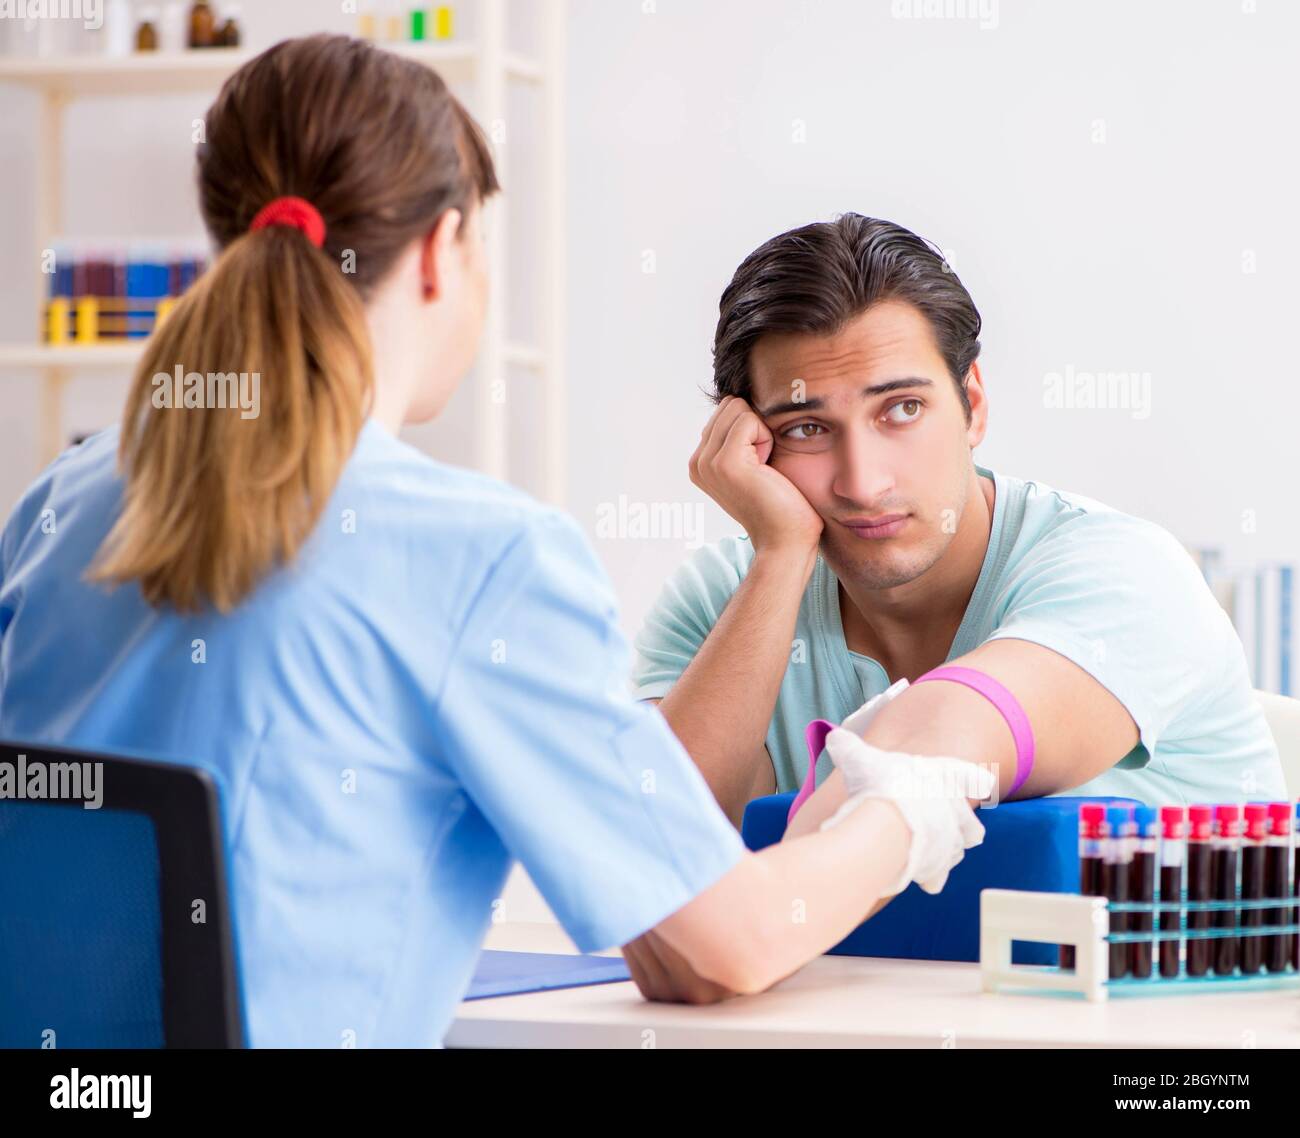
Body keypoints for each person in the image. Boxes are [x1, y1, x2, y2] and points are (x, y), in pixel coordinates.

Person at [0, 38, 989, 1048]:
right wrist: (903, 807)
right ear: (443, 250)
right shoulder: (479, 557)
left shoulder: (56, 503)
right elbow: (720, 949)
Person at [632, 214, 1286, 840]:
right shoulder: (723, 602)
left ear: (972, 405)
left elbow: (941, 742)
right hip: (856, 964)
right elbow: (660, 843)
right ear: (747, 443)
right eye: (806, 428)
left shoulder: (1125, 571)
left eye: (903, 409)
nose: (864, 482)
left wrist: (770, 907)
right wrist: (780, 557)